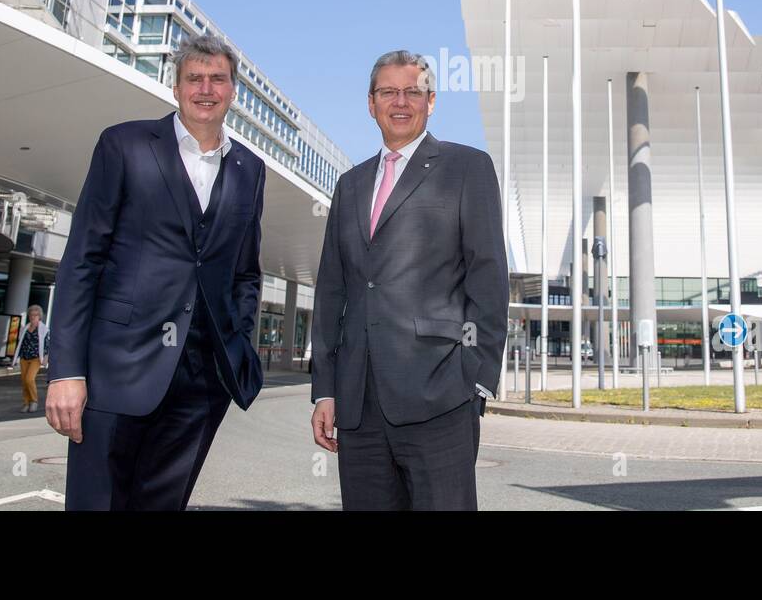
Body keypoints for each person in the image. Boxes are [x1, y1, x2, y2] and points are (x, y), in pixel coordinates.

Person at [45, 35, 267, 510]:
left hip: (201, 381)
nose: (206, 88)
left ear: (232, 91)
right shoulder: (123, 144)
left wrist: (239, 340)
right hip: (116, 371)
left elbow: (245, 272)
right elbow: (83, 259)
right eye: (195, 78)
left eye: (218, 79)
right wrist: (66, 371)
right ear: (176, 86)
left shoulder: (251, 169)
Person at [310, 50, 508, 510]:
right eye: (388, 92)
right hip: (358, 404)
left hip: (440, 396)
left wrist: (476, 381)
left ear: (431, 101)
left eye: (412, 92)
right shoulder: (350, 184)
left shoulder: (467, 168)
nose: (400, 102)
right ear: (371, 103)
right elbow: (331, 290)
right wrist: (325, 388)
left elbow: (488, 277)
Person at [9, 304, 49, 413]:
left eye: (36, 315)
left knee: (29, 379)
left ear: (39, 316)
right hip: (24, 357)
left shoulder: (44, 329)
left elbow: (47, 345)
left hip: (36, 358)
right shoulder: (25, 328)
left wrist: (46, 358)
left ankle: (34, 401)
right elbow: (20, 343)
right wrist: (15, 358)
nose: (33, 317)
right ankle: (26, 403)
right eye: (31, 315)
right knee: (24, 381)